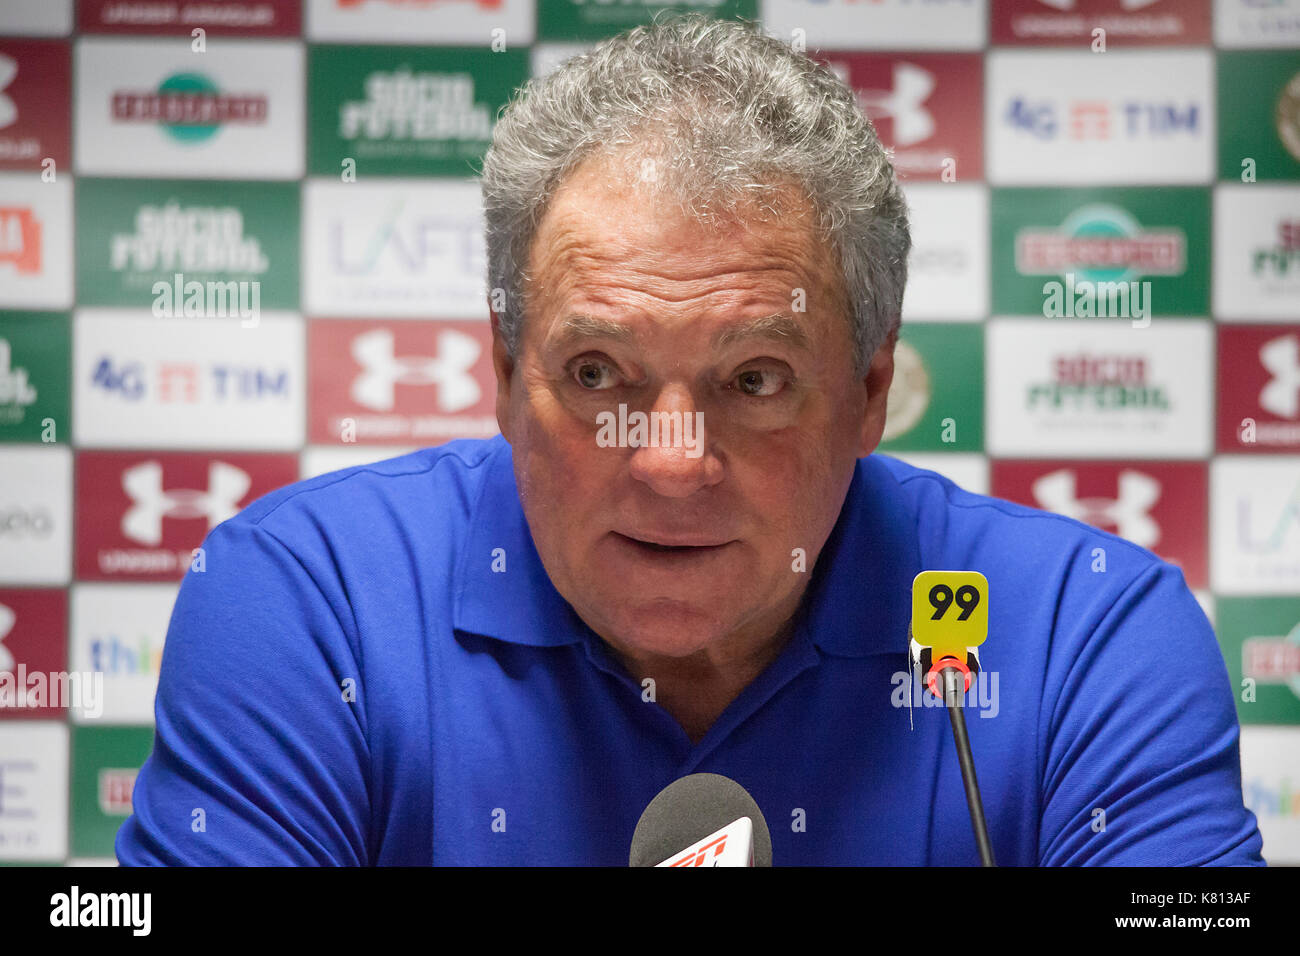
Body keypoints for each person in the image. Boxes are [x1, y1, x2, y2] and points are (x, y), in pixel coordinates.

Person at [116, 14, 1263, 866]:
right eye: (597, 371)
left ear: (868, 391)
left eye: (754, 379)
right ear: (507, 377)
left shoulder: (1084, 631)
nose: (669, 461)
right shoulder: (307, 599)